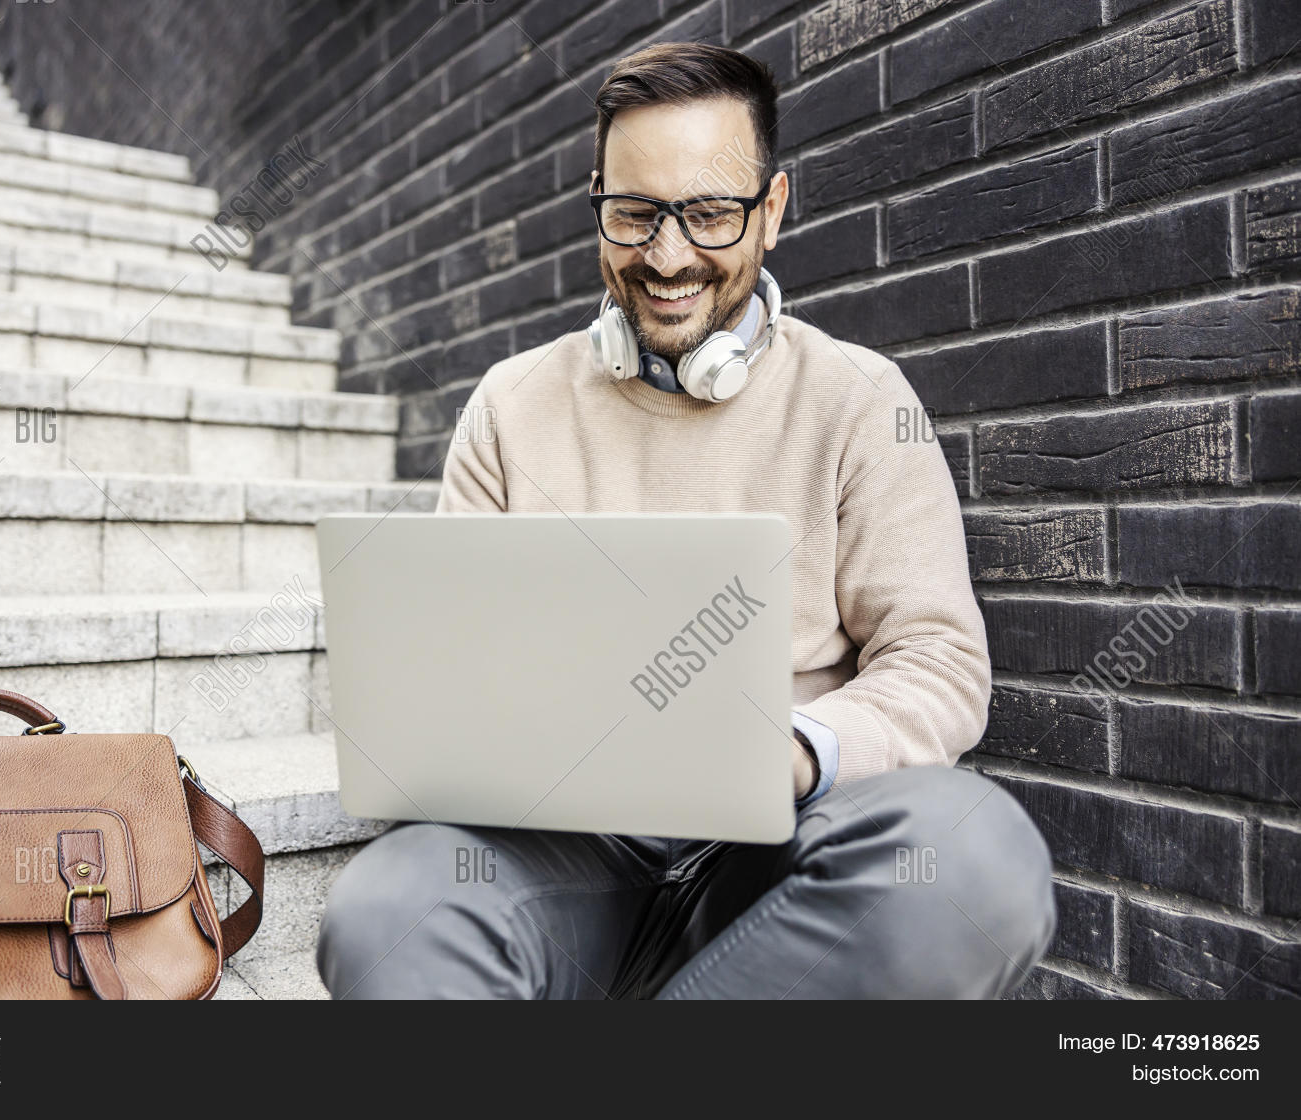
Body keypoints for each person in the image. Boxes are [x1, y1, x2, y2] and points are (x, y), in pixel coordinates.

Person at [317, 41, 1054, 999]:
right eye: (633, 214)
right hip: (565, 861)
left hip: (785, 848)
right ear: (598, 204)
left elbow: (941, 665)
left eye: (707, 214)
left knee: (974, 859)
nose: (666, 257)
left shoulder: (863, 399)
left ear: (773, 211)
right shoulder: (508, 406)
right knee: (387, 913)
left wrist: (790, 752)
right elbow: (446, 677)